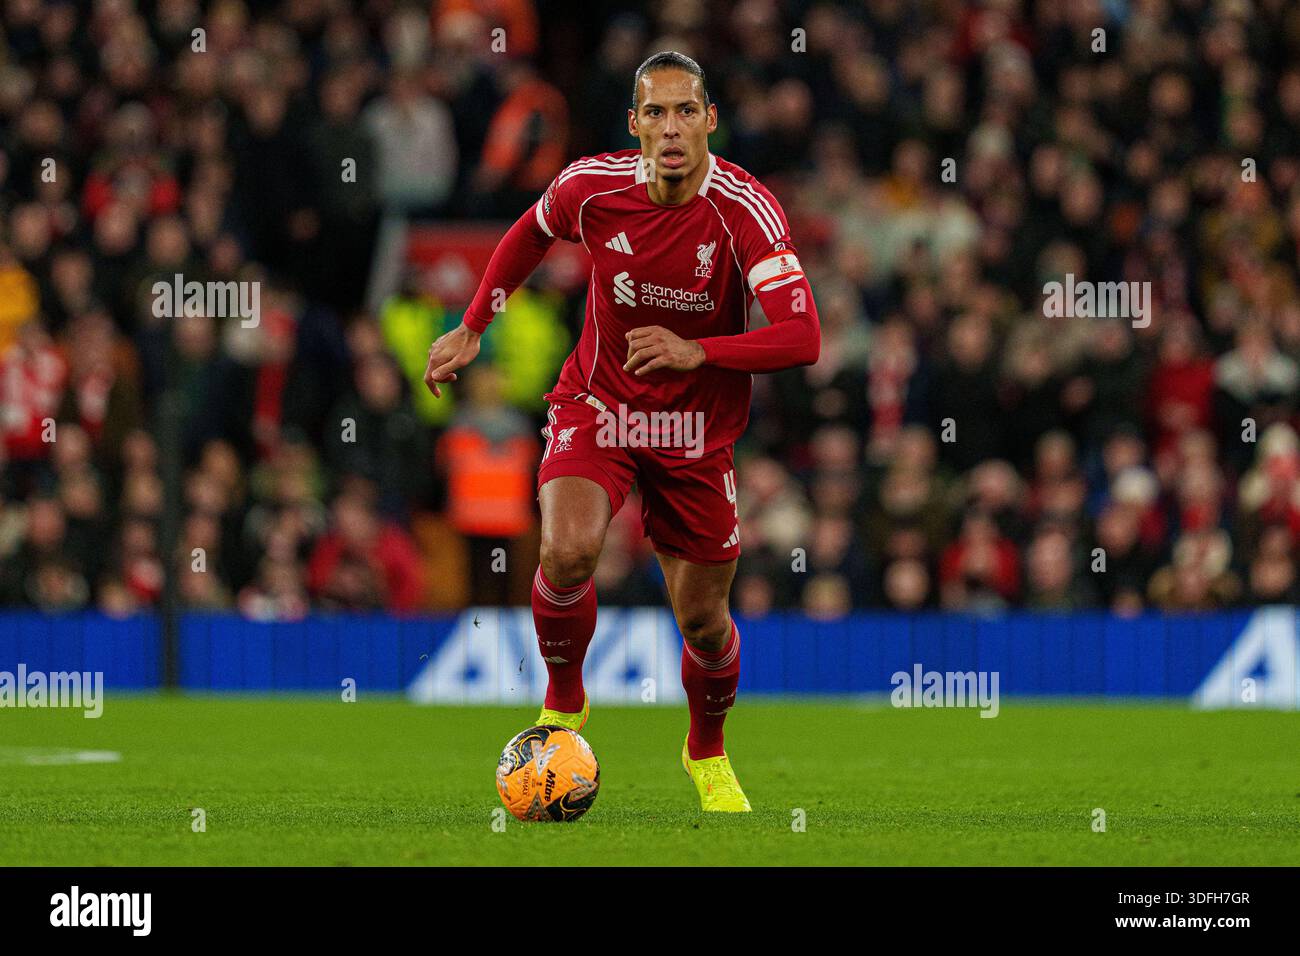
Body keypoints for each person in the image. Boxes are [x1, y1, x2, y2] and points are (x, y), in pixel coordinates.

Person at [423, 52, 820, 811]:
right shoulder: (592, 187)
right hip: (598, 407)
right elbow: (530, 233)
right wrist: (475, 325)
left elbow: (803, 336)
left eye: (685, 112)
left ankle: (706, 751)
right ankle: (565, 703)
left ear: (709, 121)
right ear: (634, 124)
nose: (671, 129)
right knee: (567, 550)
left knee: (704, 623)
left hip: (697, 434)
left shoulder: (745, 210)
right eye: (655, 113)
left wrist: (699, 349)